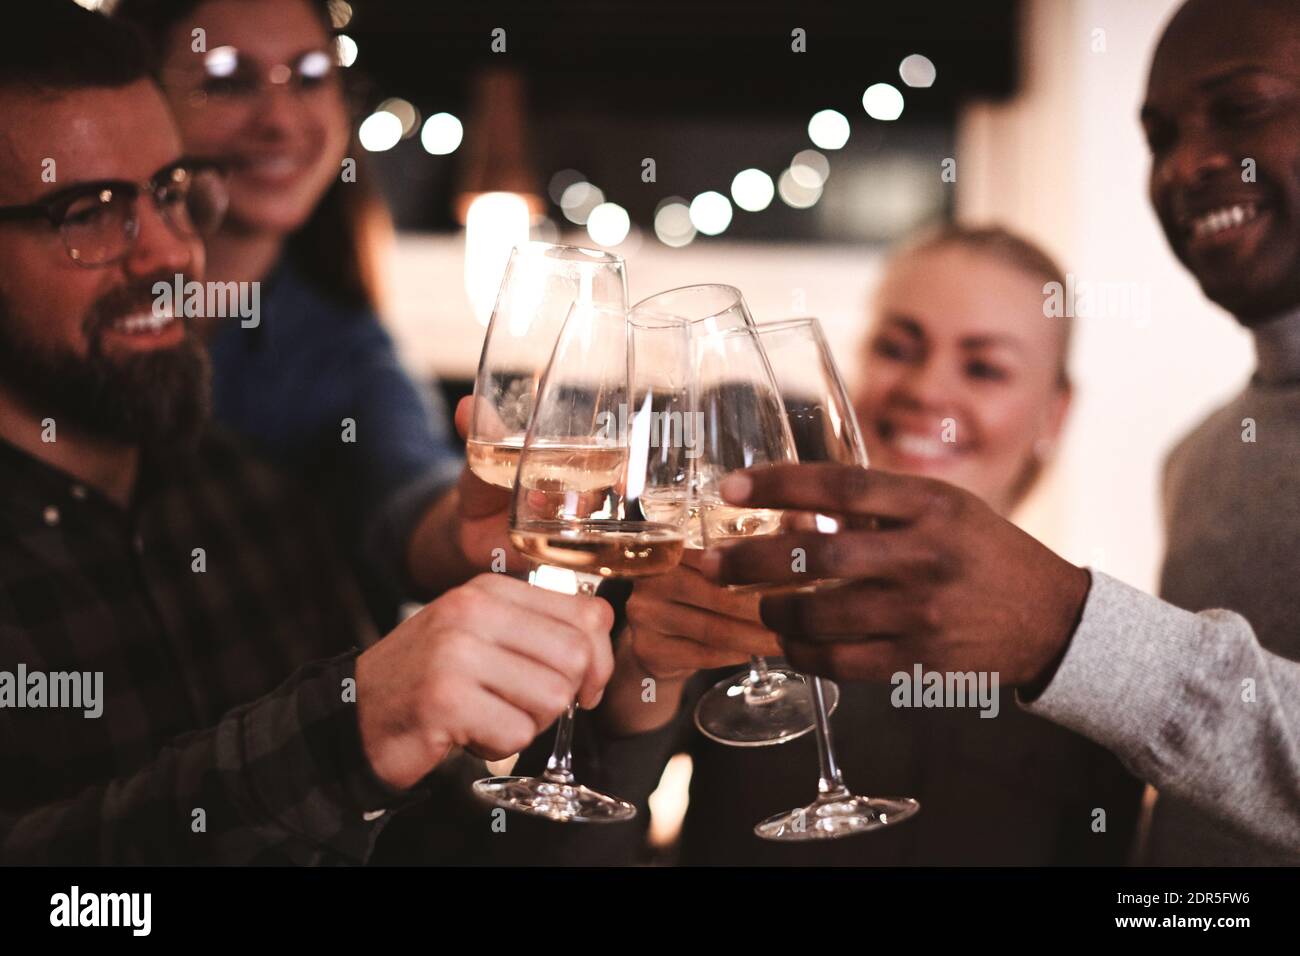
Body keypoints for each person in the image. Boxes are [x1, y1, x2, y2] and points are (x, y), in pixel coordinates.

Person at [0, 2, 612, 864]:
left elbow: (445, 839)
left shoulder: (255, 495)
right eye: (88, 211)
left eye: (172, 195)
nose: (170, 255)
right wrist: (352, 727)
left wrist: (637, 699)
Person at [698, 0, 1300, 864]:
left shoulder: (1062, 688)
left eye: (1242, 109)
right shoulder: (1200, 463)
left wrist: (1067, 632)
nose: (1189, 164)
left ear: (1054, 414)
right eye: (1159, 136)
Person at [593, 227, 1140, 865]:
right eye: (899, 348)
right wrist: (632, 690)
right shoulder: (729, 593)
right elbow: (564, 851)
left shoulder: (1090, 671)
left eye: (984, 367)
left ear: (1053, 415)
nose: (927, 390)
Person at [113, 0, 517, 624]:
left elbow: (405, 495)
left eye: (308, 77)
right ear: (135, 99)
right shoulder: (67, 317)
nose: (280, 120)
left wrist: (465, 527)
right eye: (226, 80)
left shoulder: (341, 344)